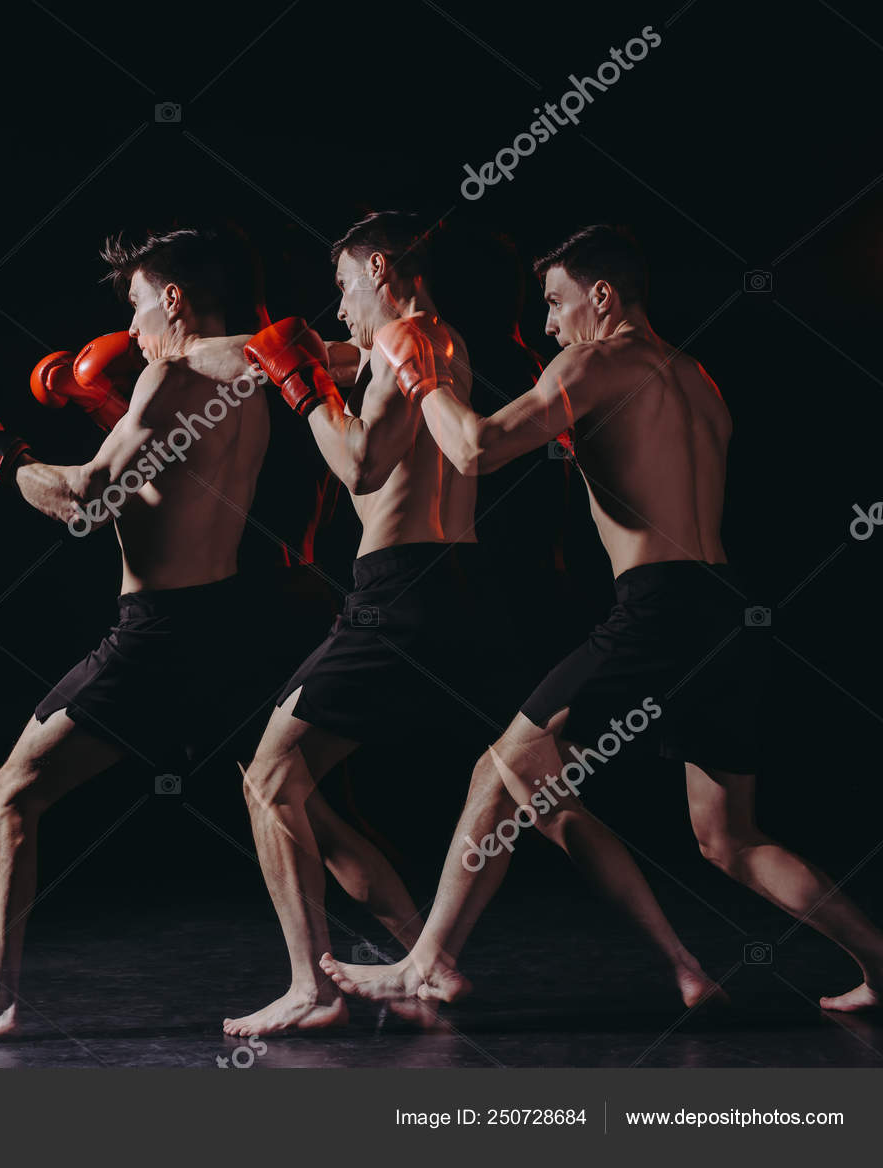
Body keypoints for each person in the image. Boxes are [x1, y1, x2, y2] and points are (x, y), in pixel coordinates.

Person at [325, 224, 883, 1012]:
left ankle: (426, 963)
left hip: (660, 608)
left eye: (556, 303)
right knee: (732, 839)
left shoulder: (592, 361)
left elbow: (475, 450)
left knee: (503, 766)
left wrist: (420, 382)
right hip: (726, 605)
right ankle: (882, 964)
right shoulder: (697, 377)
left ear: (603, 296)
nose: (548, 323)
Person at [0, 227, 273, 1038]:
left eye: (139, 303)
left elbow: (85, 497)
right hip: (232, 618)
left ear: (174, 299)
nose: (132, 325)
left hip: (159, 632)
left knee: (12, 792)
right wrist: (114, 411)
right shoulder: (254, 368)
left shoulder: (171, 374)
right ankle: (419, 962)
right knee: (285, 800)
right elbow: (152, 487)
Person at [222, 212, 529, 1036]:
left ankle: (313, 988)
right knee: (532, 785)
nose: (340, 308)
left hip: (399, 591)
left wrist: (304, 389)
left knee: (268, 779)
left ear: (381, 268)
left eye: (345, 287)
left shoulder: (406, 338)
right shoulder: (430, 339)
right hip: (440, 584)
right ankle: (423, 961)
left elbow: (360, 462)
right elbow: (306, 355)